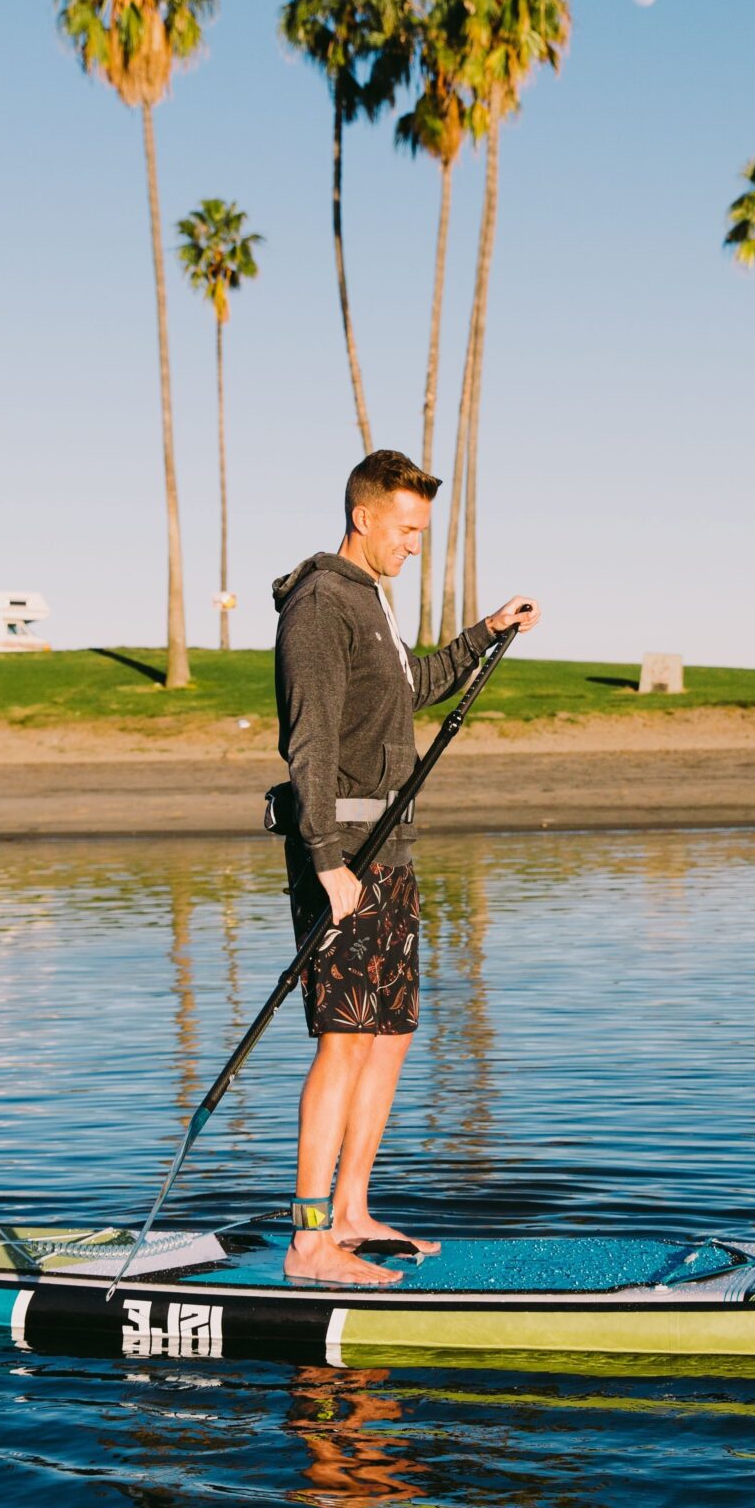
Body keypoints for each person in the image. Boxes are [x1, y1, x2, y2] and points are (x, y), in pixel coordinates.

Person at [270, 449, 539, 1286]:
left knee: (390, 1035)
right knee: (345, 1042)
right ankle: (310, 1241)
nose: (416, 542)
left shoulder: (372, 601)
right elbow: (308, 742)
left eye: (423, 528)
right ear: (364, 517)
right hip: (342, 856)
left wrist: (485, 633)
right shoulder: (319, 604)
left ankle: (352, 1212)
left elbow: (411, 685)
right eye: (408, 527)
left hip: (390, 854)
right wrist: (325, 863)